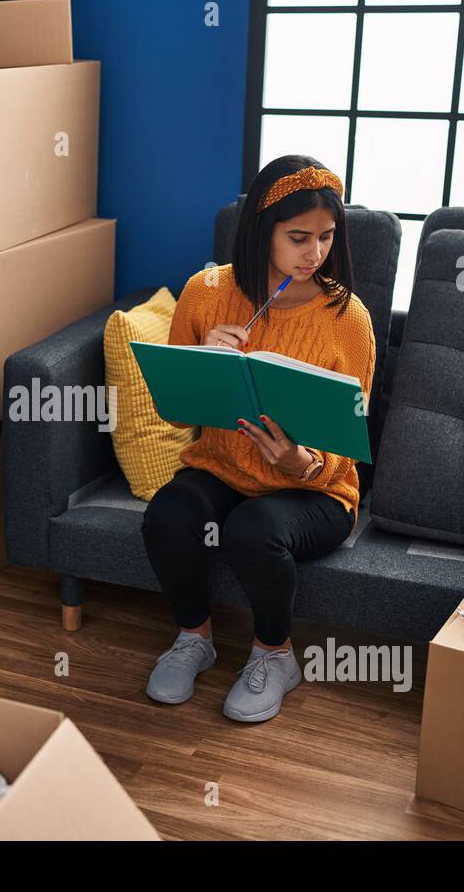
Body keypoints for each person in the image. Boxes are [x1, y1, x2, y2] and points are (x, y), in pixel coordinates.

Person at [141, 154, 376, 723]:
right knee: (168, 513)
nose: (314, 253)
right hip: (222, 468)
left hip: (316, 491)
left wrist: (301, 463)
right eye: (298, 237)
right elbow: (174, 416)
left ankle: (276, 655)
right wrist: (201, 364)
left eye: (325, 238)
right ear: (260, 232)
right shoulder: (205, 292)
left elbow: (348, 438)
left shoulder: (349, 319)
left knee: (253, 529)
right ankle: (194, 639)